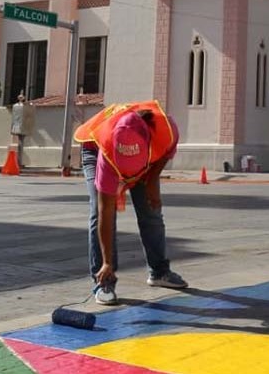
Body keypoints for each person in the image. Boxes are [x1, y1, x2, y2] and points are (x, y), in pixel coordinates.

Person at [75, 107, 188, 306]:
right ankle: (104, 279)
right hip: (95, 148)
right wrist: (108, 261)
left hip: (145, 165)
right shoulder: (108, 155)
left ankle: (159, 271)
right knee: (97, 211)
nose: (127, 179)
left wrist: (152, 178)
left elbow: (166, 151)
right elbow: (106, 212)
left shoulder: (165, 130)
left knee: (151, 210)